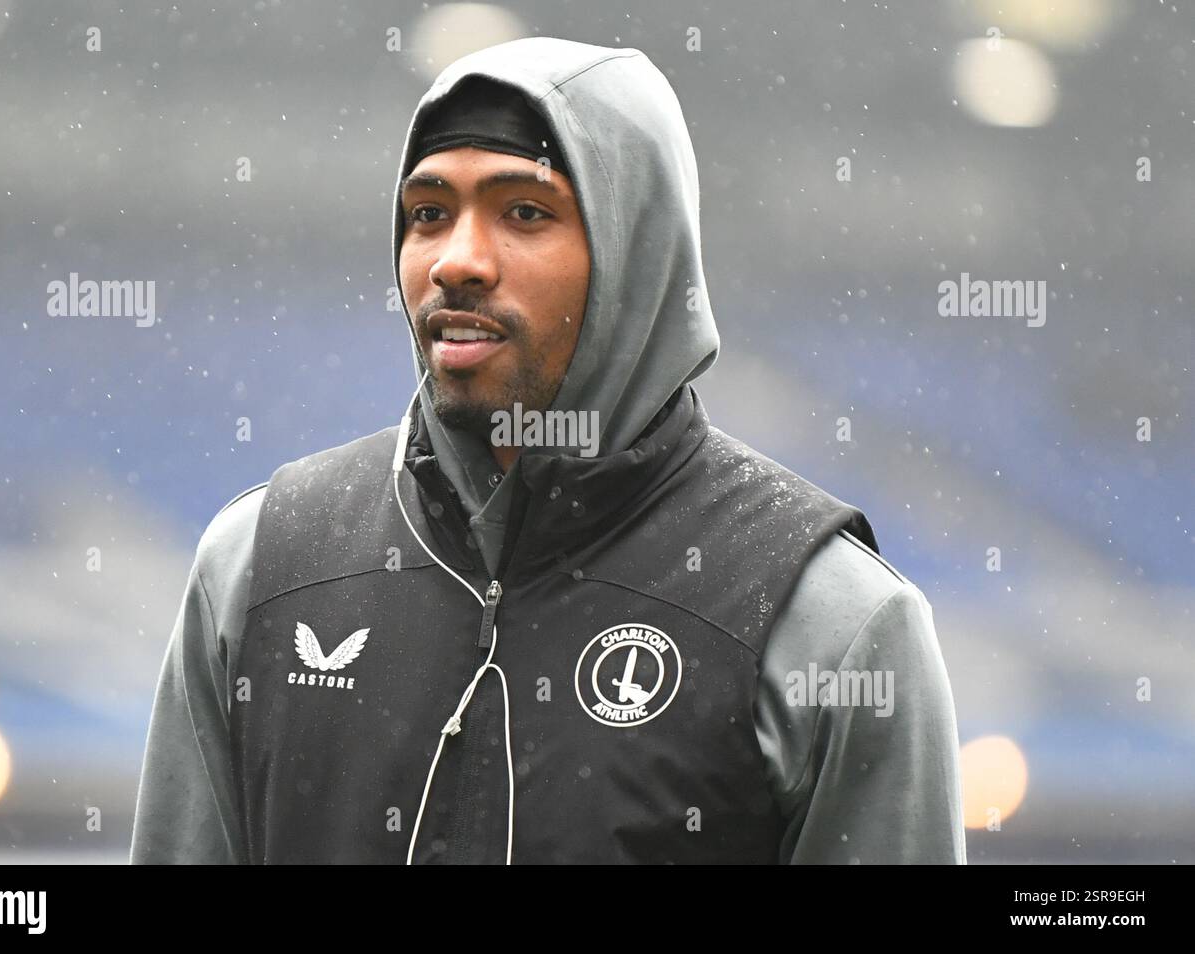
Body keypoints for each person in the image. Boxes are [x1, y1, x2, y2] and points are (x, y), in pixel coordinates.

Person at [130, 36, 966, 864]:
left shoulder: (828, 625)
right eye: (428, 213)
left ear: (637, 254)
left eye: (524, 212)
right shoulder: (258, 571)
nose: (456, 262)